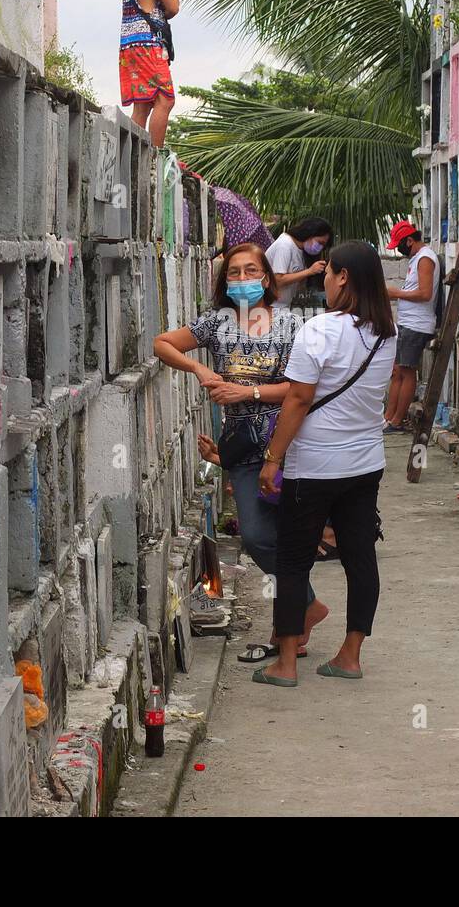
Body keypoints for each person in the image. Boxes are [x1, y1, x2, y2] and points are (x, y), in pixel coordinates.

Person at [153, 244, 330, 662]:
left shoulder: (291, 325)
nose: (243, 278)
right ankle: (304, 605)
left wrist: (245, 390)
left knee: (284, 534)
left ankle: (289, 626)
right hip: (243, 444)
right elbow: (162, 343)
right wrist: (199, 368)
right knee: (255, 534)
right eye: (234, 272)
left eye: (251, 270)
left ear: (267, 278)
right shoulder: (217, 323)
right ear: (225, 281)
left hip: (286, 441)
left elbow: (300, 389)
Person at [254, 241, 398, 687]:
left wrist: (272, 459)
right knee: (360, 557)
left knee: (293, 560)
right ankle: (350, 655)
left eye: (328, 273)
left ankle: (286, 664)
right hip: (365, 462)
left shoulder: (318, 330)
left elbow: (298, 398)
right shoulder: (387, 332)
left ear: (344, 279)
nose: (324, 280)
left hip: (314, 465)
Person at [120, 0, 180, 147]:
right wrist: (163, 14)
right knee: (165, 99)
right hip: (147, 44)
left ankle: (134, 159)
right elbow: (173, 5)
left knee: (142, 105)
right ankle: (156, 158)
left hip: (129, 45)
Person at [383, 221, 440, 433]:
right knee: (397, 371)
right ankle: (388, 417)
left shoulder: (425, 258)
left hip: (417, 324)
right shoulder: (416, 258)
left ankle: (397, 420)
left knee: (407, 372)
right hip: (408, 323)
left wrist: (395, 293)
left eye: (400, 245)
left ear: (410, 240)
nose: (399, 250)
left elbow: (425, 294)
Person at [265, 217, 333, 310]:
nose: (320, 248)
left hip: (282, 306)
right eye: (320, 242)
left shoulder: (301, 250)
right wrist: (309, 271)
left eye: (323, 246)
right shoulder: (284, 245)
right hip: (270, 306)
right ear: (310, 233)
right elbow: (277, 280)